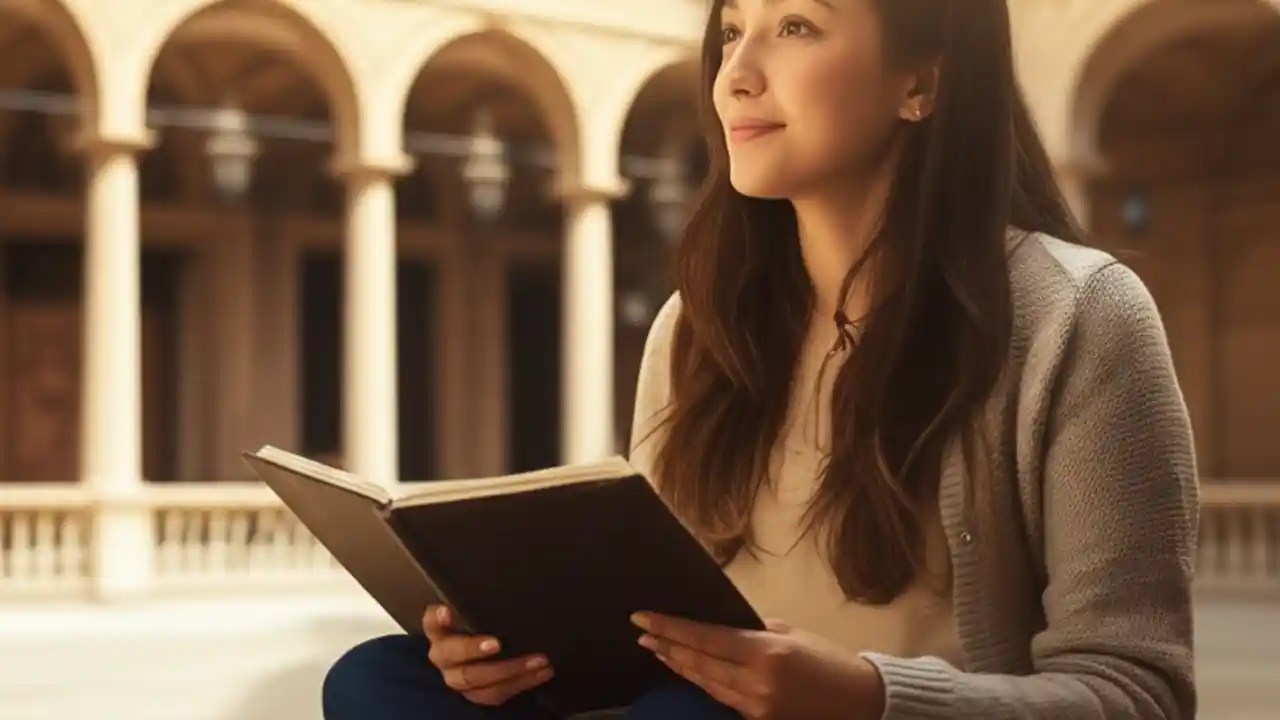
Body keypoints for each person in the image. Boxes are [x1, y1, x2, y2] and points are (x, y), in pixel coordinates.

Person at [321, 0, 1199, 717]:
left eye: (796, 27)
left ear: (921, 83)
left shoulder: (1079, 315)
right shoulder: (696, 326)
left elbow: (1138, 694)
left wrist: (868, 699)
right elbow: (645, 622)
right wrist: (513, 651)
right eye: (733, 29)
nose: (735, 75)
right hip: (683, 707)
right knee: (380, 681)